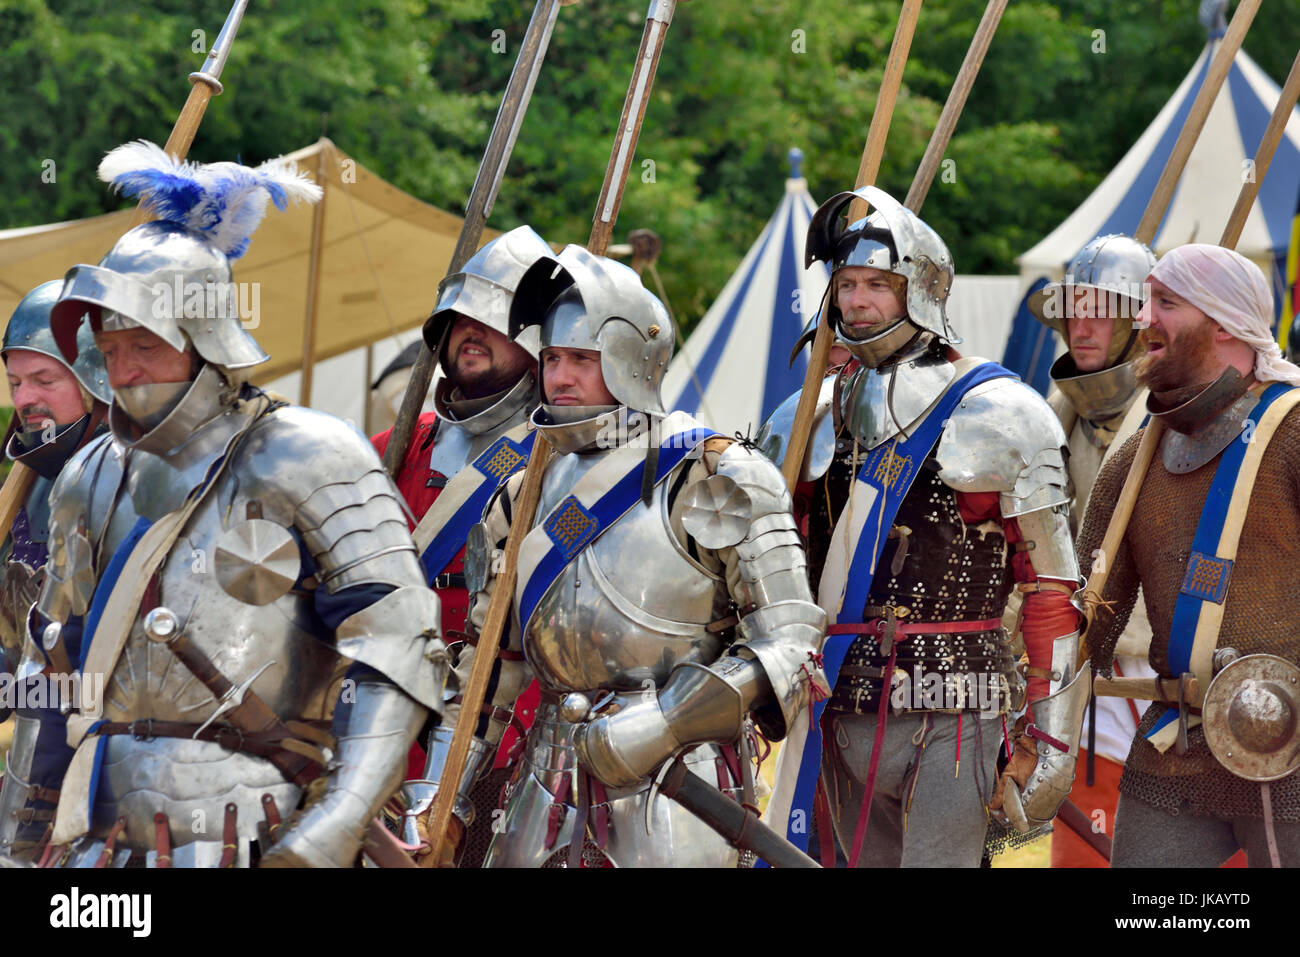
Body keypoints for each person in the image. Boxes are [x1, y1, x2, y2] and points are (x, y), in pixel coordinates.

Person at [31, 141, 446, 867]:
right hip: (102, 839)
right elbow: (53, 671)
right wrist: (17, 831)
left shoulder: (307, 452)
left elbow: (396, 644)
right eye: (110, 342)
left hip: (260, 822)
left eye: (147, 345)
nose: (124, 370)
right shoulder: (87, 475)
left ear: (202, 337)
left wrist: (339, 822)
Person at [405, 244, 825, 867]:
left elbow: (792, 647)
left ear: (633, 360)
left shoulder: (714, 474)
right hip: (543, 781)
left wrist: (664, 726)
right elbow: (492, 666)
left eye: (581, 358)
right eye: (551, 359)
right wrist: (442, 796)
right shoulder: (520, 491)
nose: (560, 377)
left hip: (678, 782)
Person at [759, 185, 1086, 867]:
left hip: (955, 712)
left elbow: (1055, 586)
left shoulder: (1002, 413)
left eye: (877, 283)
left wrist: (1052, 743)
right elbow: (760, 566)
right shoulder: (805, 417)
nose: (854, 301)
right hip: (836, 705)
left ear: (923, 288)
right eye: (846, 283)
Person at [1078, 242, 1300, 867]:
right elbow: (1090, 615)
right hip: (1174, 750)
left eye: (1165, 303)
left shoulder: (1295, 432)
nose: (1143, 320)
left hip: (1293, 745)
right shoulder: (1138, 456)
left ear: (1224, 321)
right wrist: (1035, 724)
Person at [374, 226, 552, 865]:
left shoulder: (556, 457)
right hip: (391, 690)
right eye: (458, 319)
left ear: (534, 342)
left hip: (499, 700)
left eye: (494, 320)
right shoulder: (399, 443)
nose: (470, 332)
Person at [1026, 235, 1160, 867]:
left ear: (1137, 323)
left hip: (1167, 653)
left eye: (1102, 310)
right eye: (1075, 310)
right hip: (1083, 655)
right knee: (1086, 831)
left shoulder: (1177, 412)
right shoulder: (1059, 419)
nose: (1083, 326)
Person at [0, 281, 111, 861]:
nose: (26, 399)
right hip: (28, 767)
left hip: (115, 774)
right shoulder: (22, 478)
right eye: (16, 382)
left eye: (46, 380)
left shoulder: (135, 480)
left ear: (99, 379)